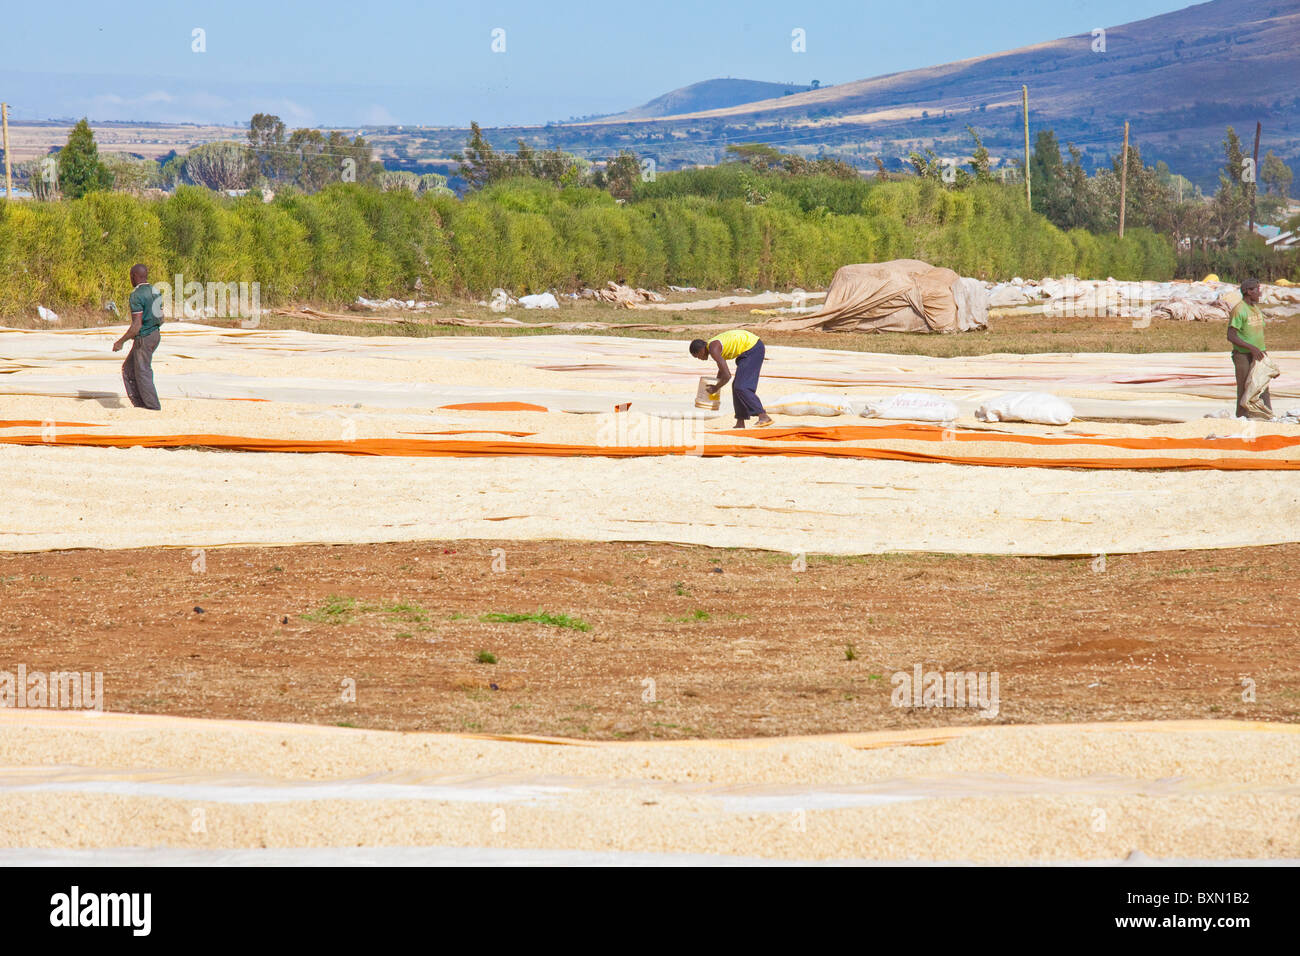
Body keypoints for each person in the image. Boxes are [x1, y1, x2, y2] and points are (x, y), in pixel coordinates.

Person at [690, 329, 773, 428]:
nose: (699, 358)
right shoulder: (713, 347)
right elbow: (722, 370)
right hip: (747, 350)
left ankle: (763, 416)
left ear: (701, 350)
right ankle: (740, 422)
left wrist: (716, 388)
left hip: (753, 348)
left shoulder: (713, 349)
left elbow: (727, 375)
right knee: (736, 386)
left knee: (742, 387)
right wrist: (716, 385)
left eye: (697, 356)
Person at [113, 264, 164, 411]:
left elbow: (136, 326)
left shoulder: (136, 295)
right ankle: (140, 404)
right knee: (129, 368)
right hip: (155, 335)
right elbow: (162, 318)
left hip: (144, 337)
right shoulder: (155, 291)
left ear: (134, 276)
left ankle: (152, 406)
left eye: (131, 276)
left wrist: (120, 342)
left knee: (142, 370)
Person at [1227, 277, 1271, 419]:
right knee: (1245, 388)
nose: (1260, 293)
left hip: (1259, 353)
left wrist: (1262, 351)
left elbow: (1256, 333)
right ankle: (1242, 418)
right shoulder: (1239, 310)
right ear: (1248, 291)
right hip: (1243, 355)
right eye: (1257, 290)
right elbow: (1231, 336)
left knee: (1262, 385)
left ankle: (1267, 416)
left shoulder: (1255, 308)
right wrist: (1251, 348)